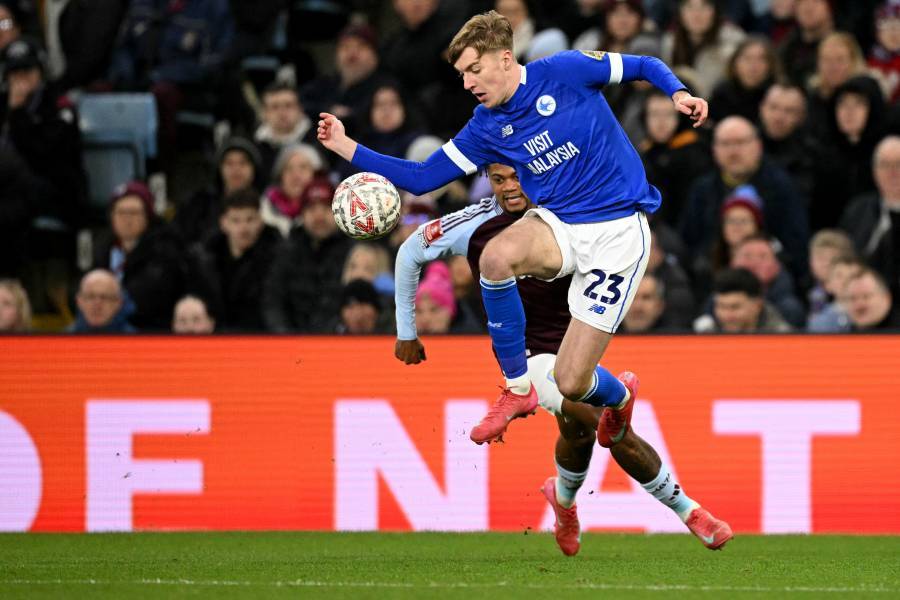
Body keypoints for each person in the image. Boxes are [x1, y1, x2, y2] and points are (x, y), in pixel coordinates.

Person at [317, 11, 711, 458]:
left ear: (505, 59)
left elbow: (642, 65)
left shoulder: (564, 70)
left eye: (474, 70)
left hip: (618, 232)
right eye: (462, 74)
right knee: (495, 259)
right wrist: (345, 146)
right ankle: (517, 387)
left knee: (572, 382)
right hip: (560, 222)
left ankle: (619, 396)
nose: (467, 83)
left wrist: (679, 93)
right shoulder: (486, 125)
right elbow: (424, 176)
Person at [394, 162, 732, 554]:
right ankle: (689, 512)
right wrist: (406, 332)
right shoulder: (477, 223)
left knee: (577, 431)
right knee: (599, 419)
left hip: (577, 338)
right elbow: (409, 252)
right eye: (499, 180)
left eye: (517, 177)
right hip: (527, 356)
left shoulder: (573, 215)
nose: (509, 189)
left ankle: (564, 500)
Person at [91, 181, 187, 331]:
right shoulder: (104, 247)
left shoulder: (164, 248)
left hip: (149, 328)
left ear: (147, 216)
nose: (127, 219)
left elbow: (149, 297)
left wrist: (106, 304)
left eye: (134, 213)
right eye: (121, 212)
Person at [188, 188, 281, 332]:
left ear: (260, 222)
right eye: (235, 220)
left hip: (259, 340)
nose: (243, 228)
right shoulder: (205, 258)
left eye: (250, 220)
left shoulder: (277, 259)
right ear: (223, 223)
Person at [694, 267, 793, 333]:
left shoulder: (781, 337)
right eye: (721, 306)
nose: (727, 315)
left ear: (757, 306)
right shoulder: (706, 334)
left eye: (735, 307)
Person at [67, 269, 136, 334]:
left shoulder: (137, 342)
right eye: (90, 296)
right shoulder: (62, 340)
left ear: (118, 303)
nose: (97, 304)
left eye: (104, 297)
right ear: (79, 301)